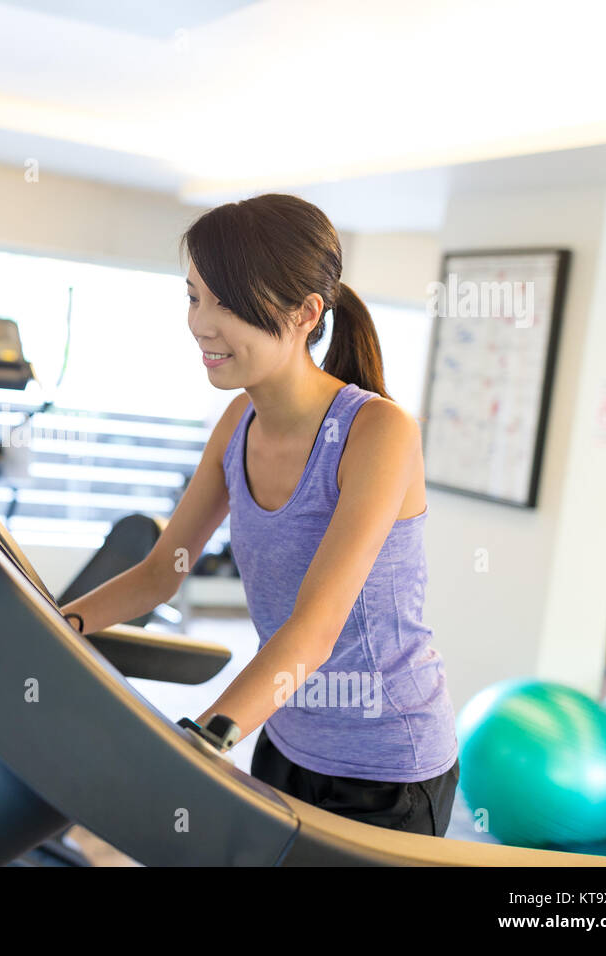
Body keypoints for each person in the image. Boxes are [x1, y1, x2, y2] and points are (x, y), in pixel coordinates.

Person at [59, 193, 459, 837]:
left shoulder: (378, 432)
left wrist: (207, 736)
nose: (202, 324)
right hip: (285, 737)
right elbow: (164, 571)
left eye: (229, 303)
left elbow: (315, 628)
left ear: (306, 314)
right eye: (194, 297)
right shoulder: (238, 421)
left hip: (389, 764)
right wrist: (57, 624)